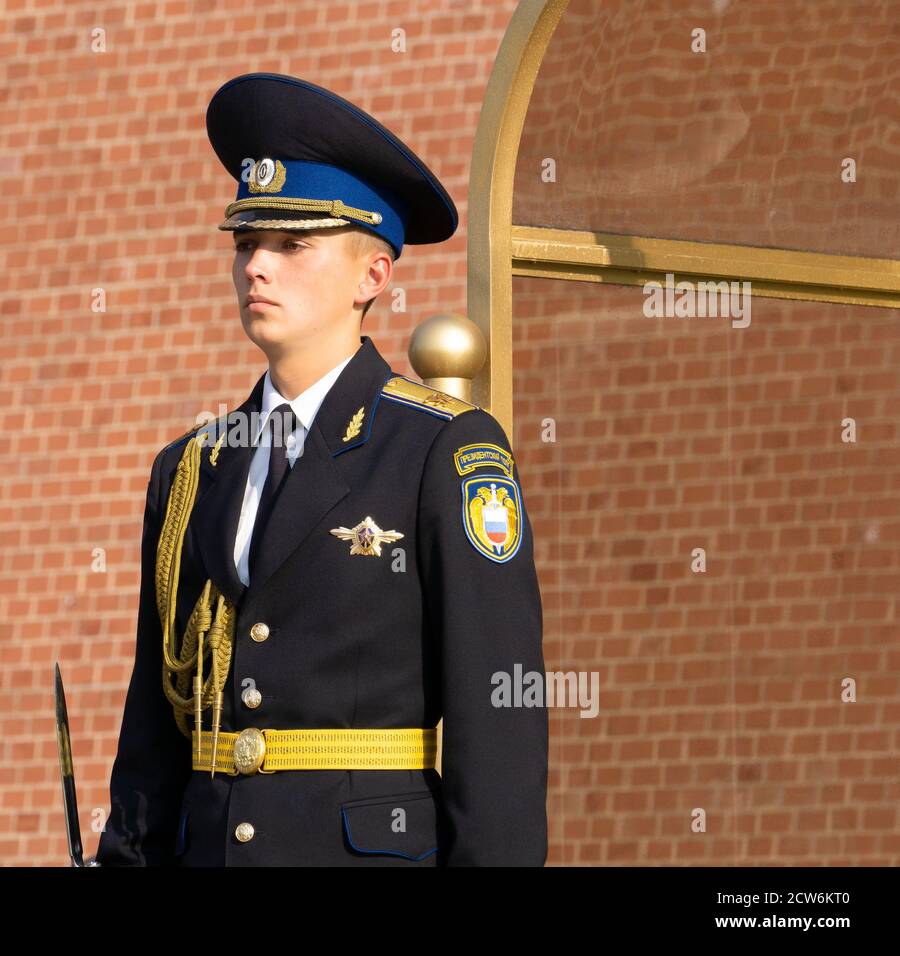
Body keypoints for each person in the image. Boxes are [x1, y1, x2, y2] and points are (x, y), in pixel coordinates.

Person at [95, 72, 547, 866]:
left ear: (374, 276)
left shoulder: (444, 451)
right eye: (246, 244)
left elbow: (497, 720)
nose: (256, 269)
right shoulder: (191, 468)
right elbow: (157, 726)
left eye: (292, 245)